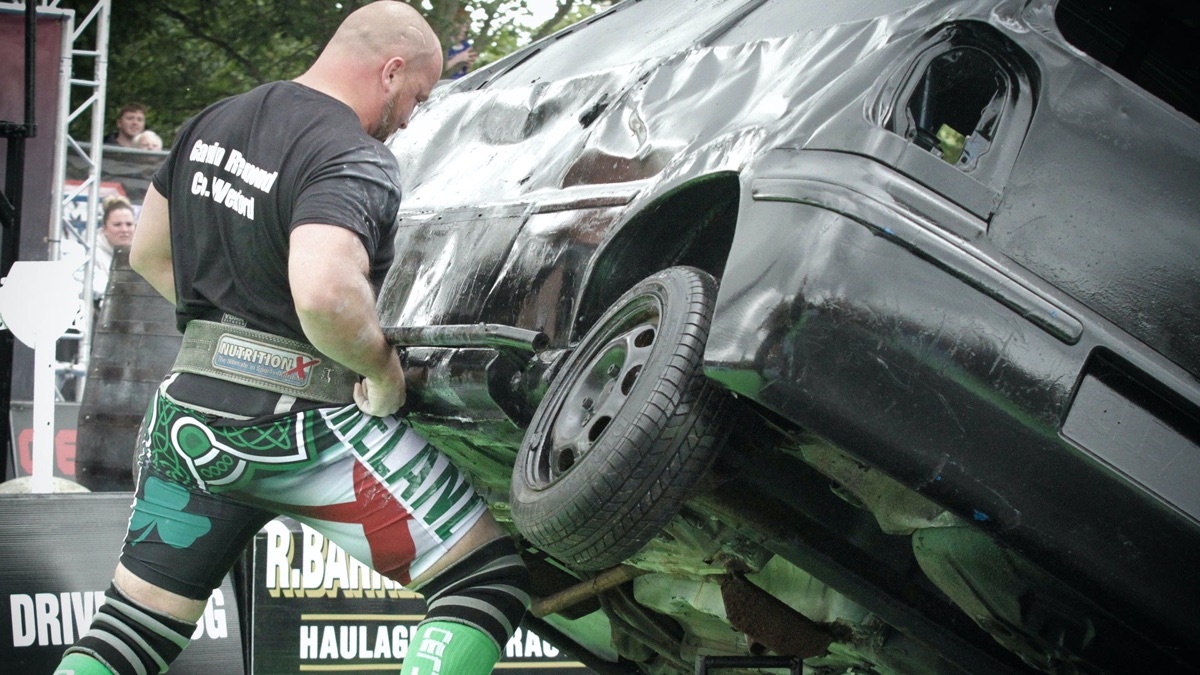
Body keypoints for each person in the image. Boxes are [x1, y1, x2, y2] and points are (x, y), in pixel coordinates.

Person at [53, 3, 530, 675]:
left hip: (187, 422)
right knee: (483, 582)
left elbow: (152, 253)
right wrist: (382, 369)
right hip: (303, 425)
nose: (411, 118)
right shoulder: (350, 154)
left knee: (130, 631)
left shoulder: (211, 123)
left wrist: (230, 328)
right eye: (418, 97)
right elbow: (324, 292)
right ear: (391, 71)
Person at [444, 14, 478, 79]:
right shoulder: (443, 45)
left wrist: (470, 65)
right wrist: (458, 58)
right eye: (462, 25)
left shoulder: (466, 46)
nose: (465, 30)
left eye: (467, 27)